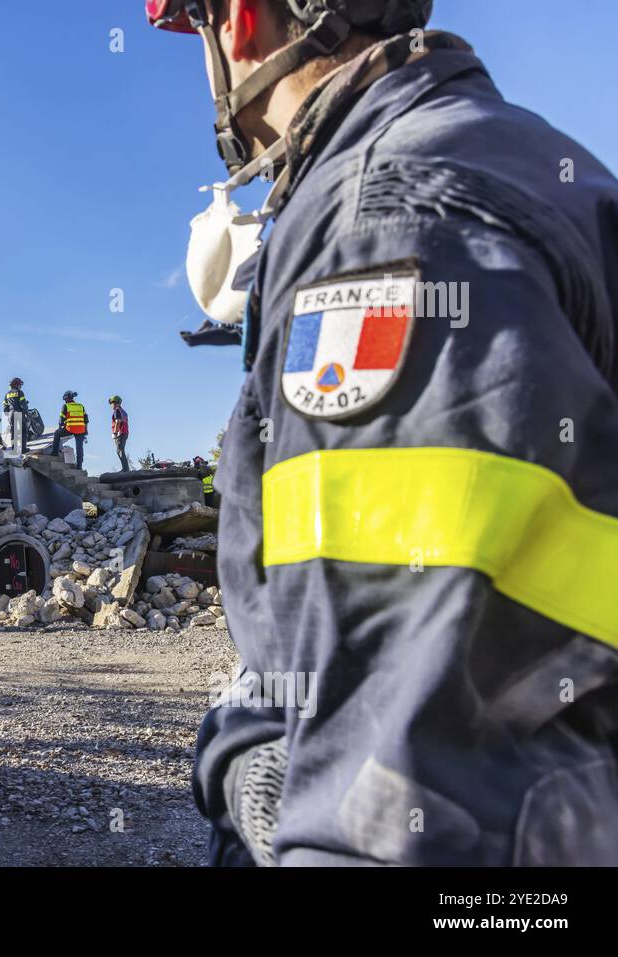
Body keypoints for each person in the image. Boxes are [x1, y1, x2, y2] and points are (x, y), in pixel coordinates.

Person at [149, 0, 618, 865]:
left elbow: (406, 805)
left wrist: (299, 785)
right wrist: (255, 735)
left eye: (197, 28)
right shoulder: (539, 167)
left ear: (240, 20)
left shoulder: (384, 222)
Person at [50, 390, 88, 468]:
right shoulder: (81, 406)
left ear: (67, 399)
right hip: (81, 430)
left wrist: (60, 427)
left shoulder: (66, 406)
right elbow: (86, 420)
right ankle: (79, 467)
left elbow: (61, 420)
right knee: (79, 449)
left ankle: (54, 453)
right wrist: (85, 431)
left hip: (70, 429)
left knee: (57, 433)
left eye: (65, 399)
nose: (65, 401)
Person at [3, 377, 28, 450]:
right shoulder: (20, 392)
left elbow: (5, 408)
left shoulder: (7, 394)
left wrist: (8, 415)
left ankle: (14, 449)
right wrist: (26, 413)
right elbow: (23, 404)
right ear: (16, 385)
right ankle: (23, 449)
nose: (21, 386)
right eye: (20, 384)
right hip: (19, 412)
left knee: (13, 432)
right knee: (23, 431)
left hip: (11, 414)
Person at [109, 395, 131, 471]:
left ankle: (125, 469)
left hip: (120, 433)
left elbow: (118, 421)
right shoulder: (123, 411)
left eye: (112, 403)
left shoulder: (117, 411)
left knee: (119, 450)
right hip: (125, 432)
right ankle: (125, 468)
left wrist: (115, 433)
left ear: (115, 403)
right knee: (120, 450)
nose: (111, 405)